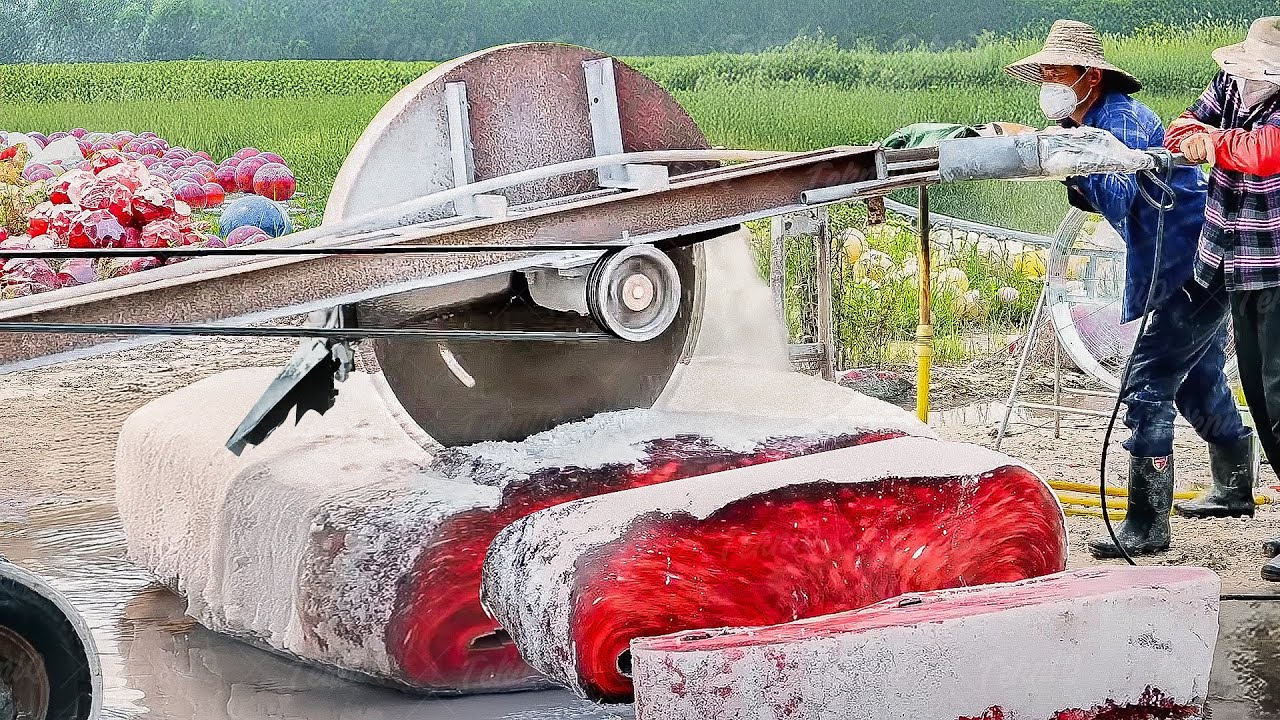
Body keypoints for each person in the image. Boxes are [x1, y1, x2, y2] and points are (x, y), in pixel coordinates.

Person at [1004, 20, 1257, 559]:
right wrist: (1063, 150)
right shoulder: (1092, 119)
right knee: (1197, 377)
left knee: (1147, 383)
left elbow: (1119, 198)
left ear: (1090, 76)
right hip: (1183, 260)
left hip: (1192, 263)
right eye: (1043, 73)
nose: (1047, 81)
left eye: (1057, 71)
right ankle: (1235, 487)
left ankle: (1146, 522)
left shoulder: (1118, 121)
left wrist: (1059, 153)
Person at [1163, 17, 1280, 580]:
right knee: (1258, 394)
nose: (1252, 75)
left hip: (1275, 265)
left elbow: (1262, 153)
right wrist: (1194, 136)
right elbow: (1181, 126)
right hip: (1233, 260)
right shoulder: (1231, 84)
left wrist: (1213, 143)